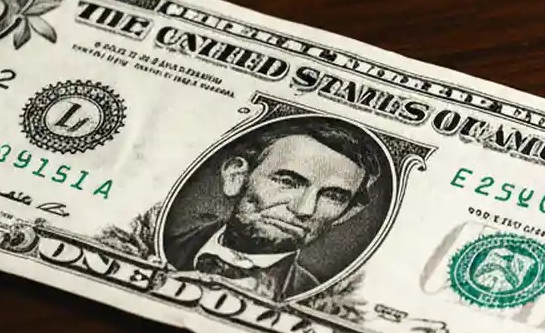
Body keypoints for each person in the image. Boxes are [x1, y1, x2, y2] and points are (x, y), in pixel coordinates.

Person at [165, 118, 384, 301]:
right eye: (288, 182)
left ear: (347, 213)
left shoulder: (312, 298)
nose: (304, 209)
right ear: (236, 176)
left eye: (333, 196)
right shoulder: (166, 240)